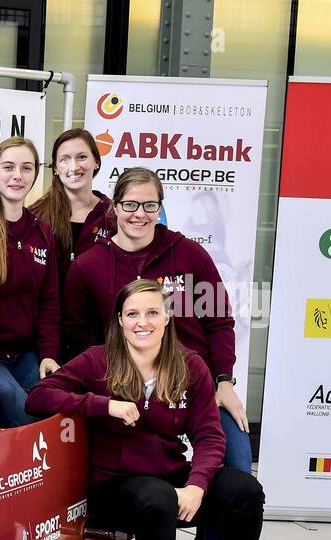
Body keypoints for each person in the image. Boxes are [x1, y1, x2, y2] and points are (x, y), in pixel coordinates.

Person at [27, 279, 266, 540]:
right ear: (120, 320)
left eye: (153, 312)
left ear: (168, 317)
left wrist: (197, 486)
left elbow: (210, 436)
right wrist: (103, 405)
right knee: (158, 497)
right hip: (114, 489)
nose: (143, 322)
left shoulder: (190, 365)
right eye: (133, 313)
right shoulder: (98, 360)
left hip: (169, 478)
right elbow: (39, 397)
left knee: (246, 491)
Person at [63, 167, 252, 479]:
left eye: (150, 205)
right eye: (131, 205)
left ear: (160, 208)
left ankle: (207, 521)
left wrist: (223, 381)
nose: (140, 214)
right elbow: (77, 334)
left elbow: (219, 322)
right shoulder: (88, 266)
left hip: (195, 384)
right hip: (128, 388)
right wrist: (108, 383)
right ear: (115, 207)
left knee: (237, 466)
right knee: (140, 474)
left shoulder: (191, 255)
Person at [0, 136, 60, 427]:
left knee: (58, 406)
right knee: (21, 410)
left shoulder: (41, 232)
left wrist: (49, 355)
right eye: (8, 167)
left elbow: (50, 301)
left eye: (26, 168)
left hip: (27, 355)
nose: (17, 176)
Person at [29, 127, 115, 360]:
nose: (74, 166)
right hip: (43, 339)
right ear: (55, 168)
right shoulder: (35, 216)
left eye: (82, 157)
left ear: (96, 162)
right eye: (64, 159)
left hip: (98, 339)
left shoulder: (114, 217)